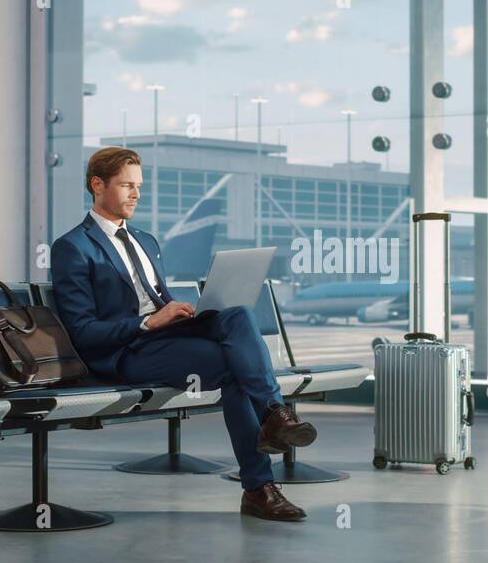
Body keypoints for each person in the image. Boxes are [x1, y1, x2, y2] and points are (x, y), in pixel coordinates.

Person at [50, 147, 316, 521]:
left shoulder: (146, 241)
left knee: (238, 314)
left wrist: (180, 312)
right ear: (97, 185)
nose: (136, 194)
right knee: (235, 367)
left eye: (139, 186)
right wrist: (149, 322)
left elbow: (158, 298)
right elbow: (83, 333)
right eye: (127, 185)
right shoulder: (72, 248)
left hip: (163, 337)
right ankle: (260, 481)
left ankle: (274, 420)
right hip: (125, 351)